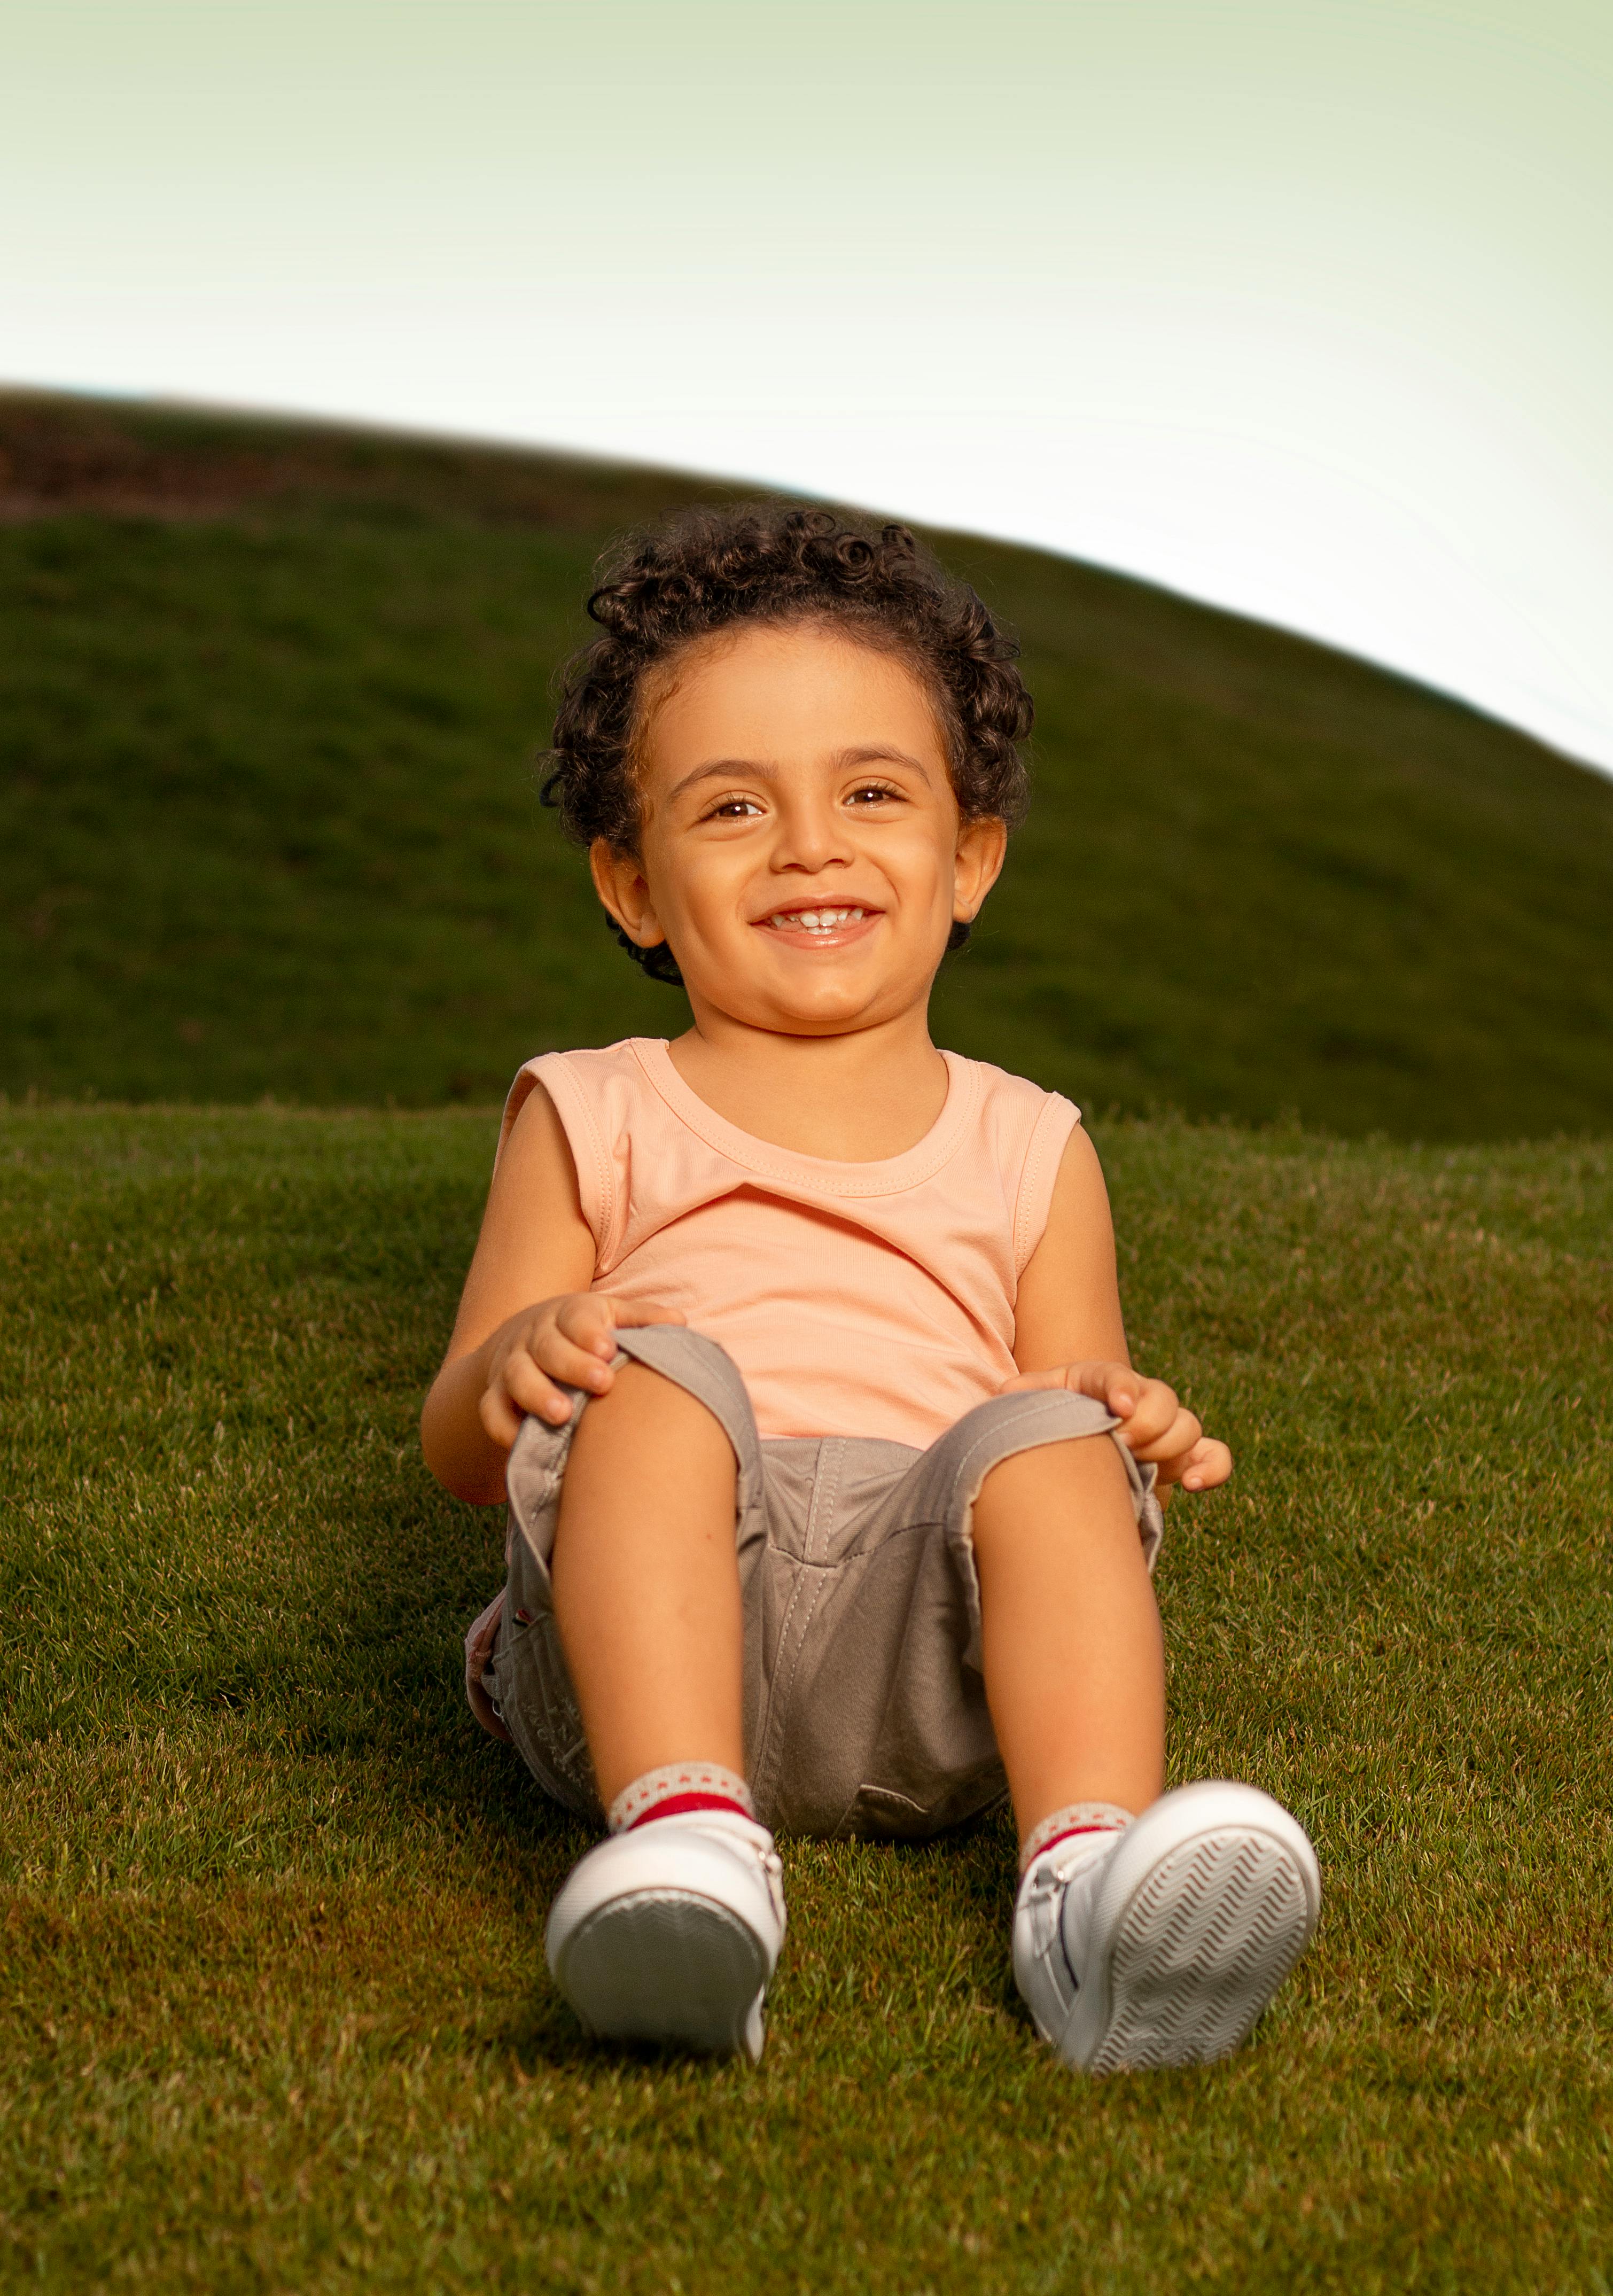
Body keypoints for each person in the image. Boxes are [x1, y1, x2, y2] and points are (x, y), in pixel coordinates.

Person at [421, 505, 1319, 2072]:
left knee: (1045, 1433)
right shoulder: (590, 1108)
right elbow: (456, 1443)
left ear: (966, 854)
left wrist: (1129, 1420)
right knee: (659, 1371)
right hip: (644, 1654)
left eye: (871, 792)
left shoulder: (1030, 1144)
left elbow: (1074, 1424)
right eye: (730, 810)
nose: (810, 847)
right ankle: (689, 1852)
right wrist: (520, 1357)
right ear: (632, 886)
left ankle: (1082, 1887)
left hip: (926, 1682)